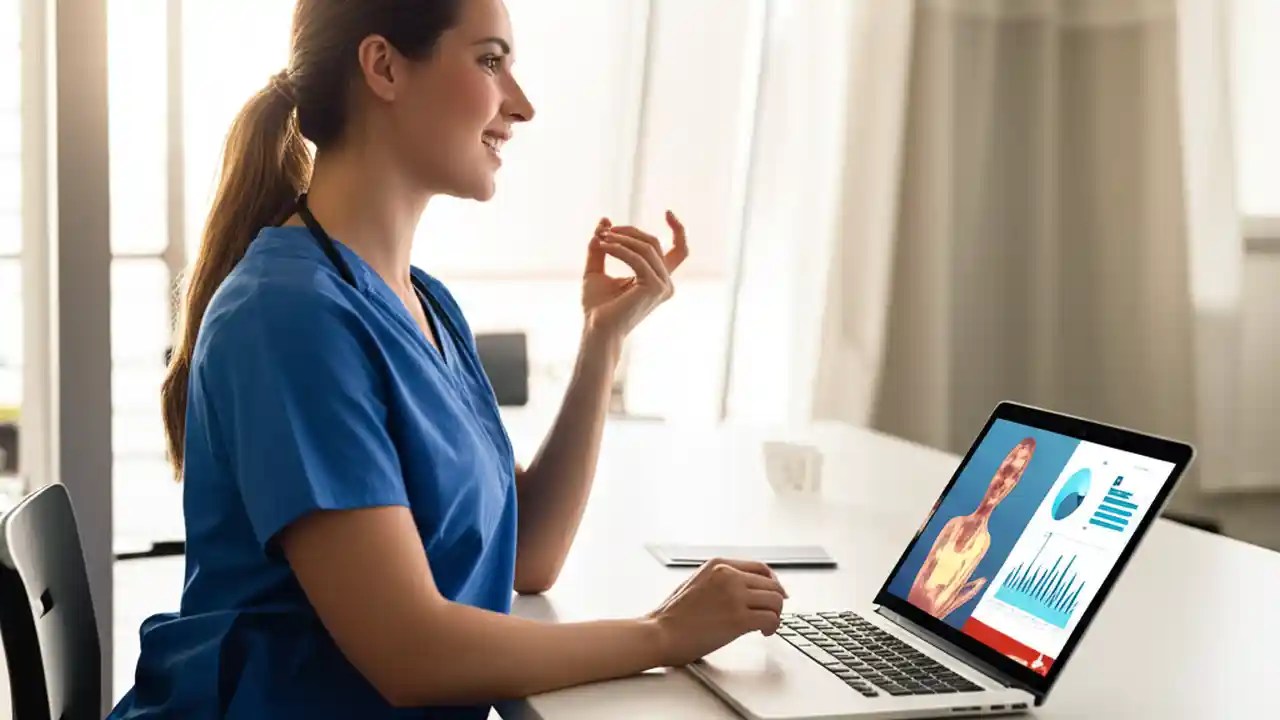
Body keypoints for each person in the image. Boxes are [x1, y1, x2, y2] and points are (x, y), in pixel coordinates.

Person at [108, 0, 787, 717]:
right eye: (490, 61)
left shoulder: (420, 301)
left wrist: (601, 342)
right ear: (384, 67)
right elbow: (413, 654)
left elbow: (526, 555)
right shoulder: (289, 317)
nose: (520, 106)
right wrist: (663, 633)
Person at [906, 438, 1036, 620]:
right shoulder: (955, 524)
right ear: (995, 473)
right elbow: (924, 576)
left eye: (1014, 476)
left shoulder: (983, 541)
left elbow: (946, 596)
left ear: (1015, 484)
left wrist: (939, 612)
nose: (1004, 482)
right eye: (1004, 471)